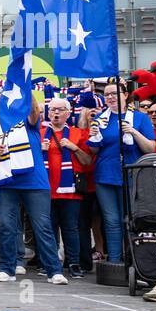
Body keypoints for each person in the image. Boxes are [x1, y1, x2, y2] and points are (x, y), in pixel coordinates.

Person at [0, 94, 69, 285]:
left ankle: (54, 271)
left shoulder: (29, 122)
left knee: (43, 227)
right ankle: (8, 269)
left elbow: (34, 111)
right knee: (7, 227)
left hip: (35, 183)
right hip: (7, 183)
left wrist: (25, 88)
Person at [84, 81, 156, 263]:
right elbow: (93, 151)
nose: (110, 97)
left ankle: (132, 260)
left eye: (114, 93)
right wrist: (93, 135)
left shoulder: (140, 118)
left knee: (129, 219)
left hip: (132, 175)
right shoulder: (100, 118)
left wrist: (133, 132)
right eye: (106, 95)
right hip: (105, 175)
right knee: (111, 220)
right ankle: (114, 261)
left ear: (125, 95)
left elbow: (150, 148)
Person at [42, 98, 92, 278]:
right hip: (46, 189)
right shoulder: (40, 133)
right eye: (52, 109)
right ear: (48, 113)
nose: (55, 112)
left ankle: (73, 263)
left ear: (68, 113)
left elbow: (87, 161)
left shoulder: (78, 133)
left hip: (70, 191)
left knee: (71, 228)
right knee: (49, 228)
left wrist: (74, 148)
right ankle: (51, 263)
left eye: (60, 109)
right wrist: (41, 149)